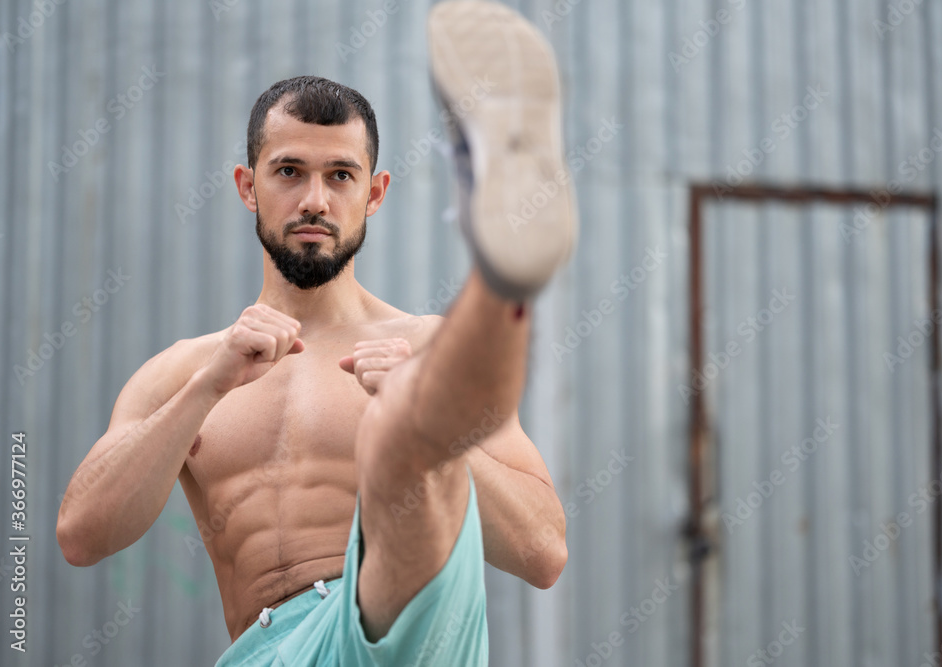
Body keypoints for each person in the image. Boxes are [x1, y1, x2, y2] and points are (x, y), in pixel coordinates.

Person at [56, 1, 576, 664]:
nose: (314, 201)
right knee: (411, 422)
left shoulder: (424, 347)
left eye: (340, 176)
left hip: (401, 632)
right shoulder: (185, 370)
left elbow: (542, 551)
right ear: (247, 186)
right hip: (270, 650)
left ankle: (500, 266)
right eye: (289, 172)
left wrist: (432, 425)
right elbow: (81, 535)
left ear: (375, 193)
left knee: (407, 432)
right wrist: (205, 389)